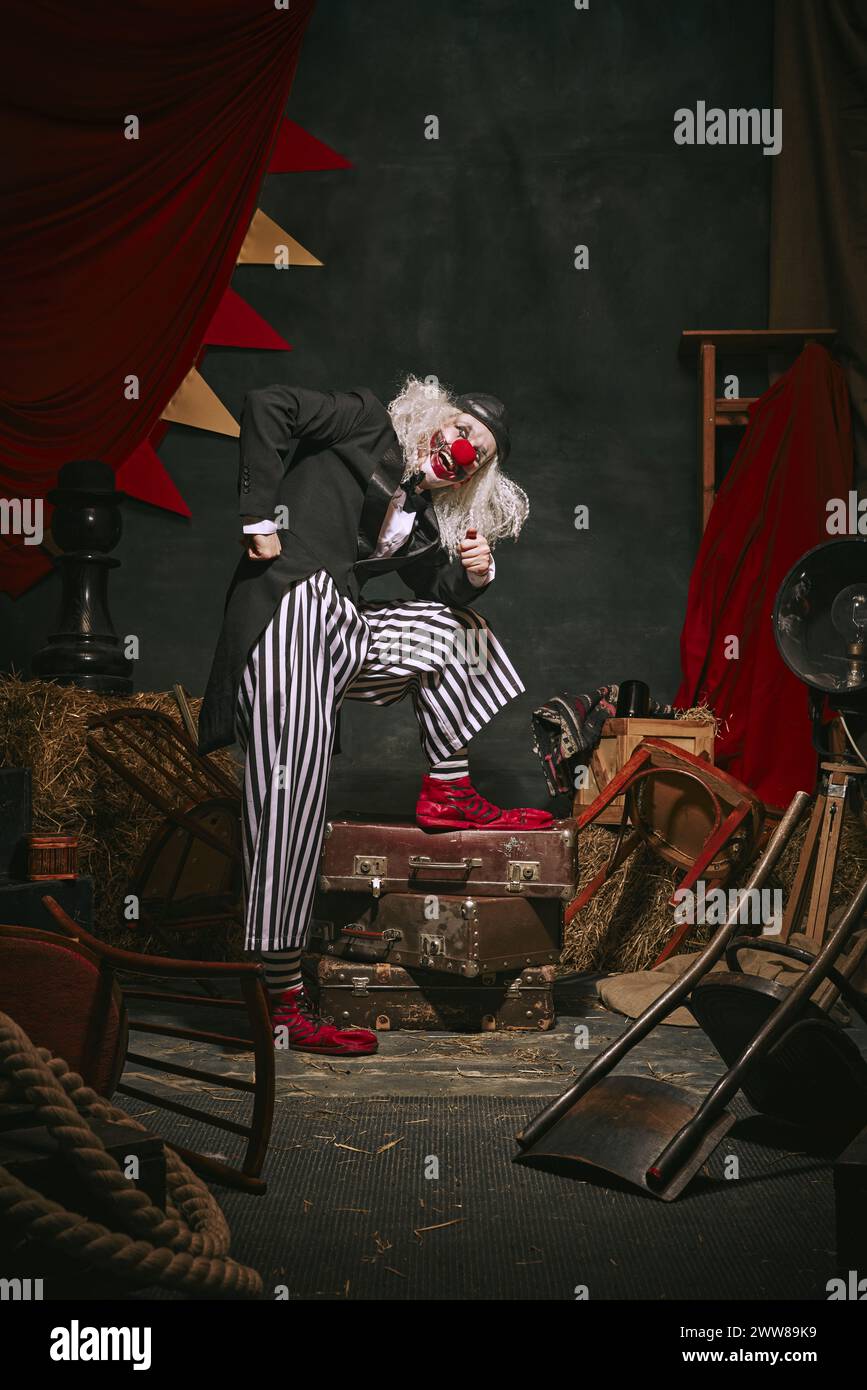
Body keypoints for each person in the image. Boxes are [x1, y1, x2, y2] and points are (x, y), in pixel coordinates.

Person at [197, 373, 552, 1055]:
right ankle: (277, 1006)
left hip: (342, 628)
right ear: (433, 417)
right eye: (463, 430)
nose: (465, 449)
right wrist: (259, 517)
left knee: (458, 630)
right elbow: (269, 400)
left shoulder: (417, 518)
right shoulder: (363, 422)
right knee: (290, 805)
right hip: (289, 615)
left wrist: (474, 574)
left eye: (478, 451)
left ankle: (447, 789)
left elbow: (436, 594)